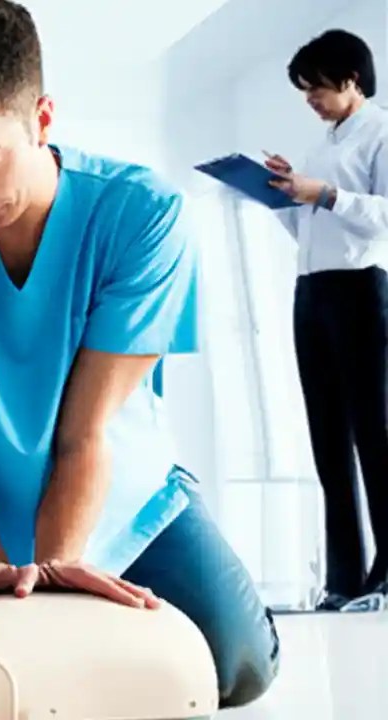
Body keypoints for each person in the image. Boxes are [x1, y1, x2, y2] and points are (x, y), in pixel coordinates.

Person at [0, 0, 277, 708]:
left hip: (123, 492)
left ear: (42, 120)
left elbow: (88, 432)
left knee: (237, 670)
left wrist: (52, 572)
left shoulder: (144, 215)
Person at [263, 29, 388, 612]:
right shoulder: (322, 146)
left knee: (376, 437)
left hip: (362, 290)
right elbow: (310, 228)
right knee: (327, 441)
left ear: (351, 80)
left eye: (315, 87)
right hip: (311, 291)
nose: (309, 98)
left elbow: (382, 219)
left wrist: (328, 194)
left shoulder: (381, 131)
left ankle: (385, 579)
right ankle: (344, 580)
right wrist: (289, 197)